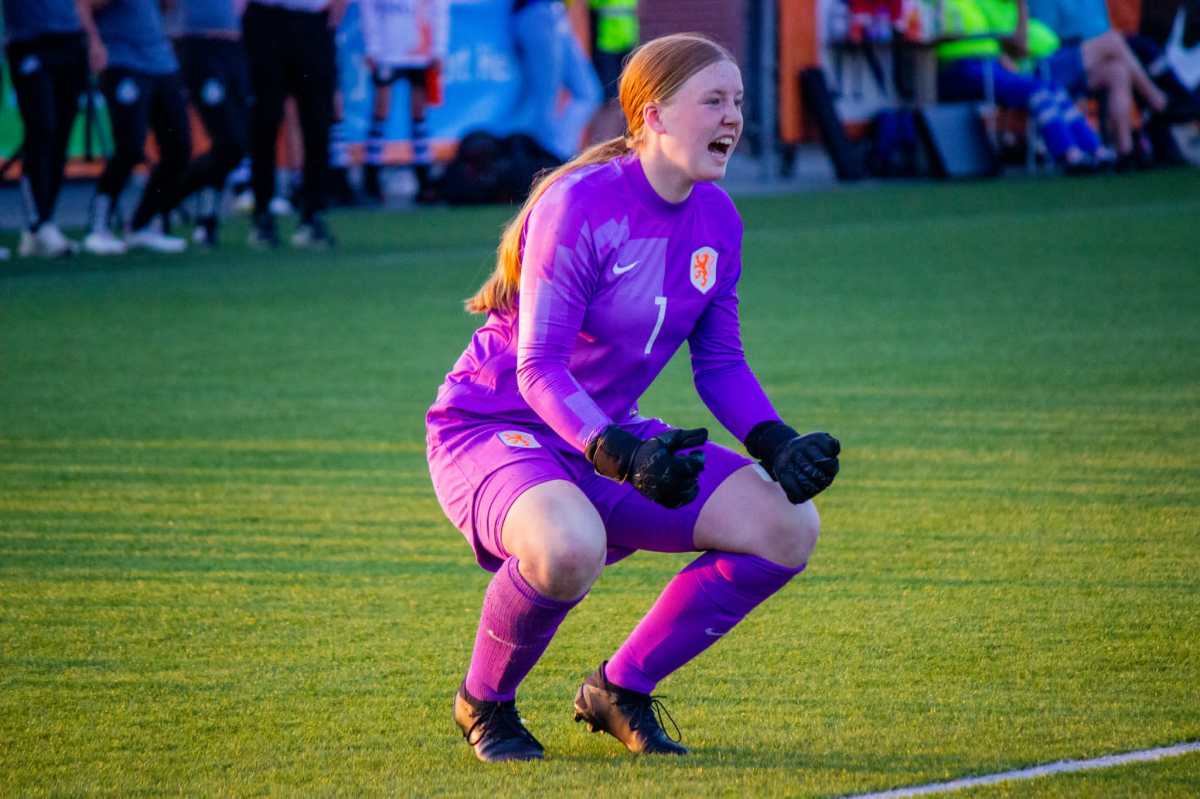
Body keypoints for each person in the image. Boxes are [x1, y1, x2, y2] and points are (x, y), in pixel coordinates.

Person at [425, 32, 841, 763]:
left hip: (604, 436)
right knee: (569, 546)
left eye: (738, 102)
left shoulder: (719, 219)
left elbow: (720, 365)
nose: (732, 119)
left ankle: (619, 687)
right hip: (495, 427)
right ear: (651, 116)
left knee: (788, 525)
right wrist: (618, 450)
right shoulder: (579, 204)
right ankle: (483, 701)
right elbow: (541, 370)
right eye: (712, 101)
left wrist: (777, 441)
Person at [938, 0, 1114, 172]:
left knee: (1052, 88)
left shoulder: (995, 6)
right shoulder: (961, 4)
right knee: (1038, 90)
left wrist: (1002, 57)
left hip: (993, 64)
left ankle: (1093, 148)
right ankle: (1067, 153)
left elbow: (998, 42)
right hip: (964, 68)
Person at [77, 0, 193, 255]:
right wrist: (94, 44)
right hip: (123, 59)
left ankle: (141, 224)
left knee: (179, 149)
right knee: (129, 146)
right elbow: (84, 5)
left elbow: (166, 8)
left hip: (162, 61)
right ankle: (98, 227)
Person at [242, 0, 346, 249]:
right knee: (265, 120)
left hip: (312, 20)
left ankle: (312, 215)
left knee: (318, 122)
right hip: (266, 19)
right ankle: (262, 214)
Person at [1029, 0, 1168, 164]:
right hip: (1052, 63)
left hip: (1084, 61)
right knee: (1113, 41)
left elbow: (1103, 27)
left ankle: (1125, 151)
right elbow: (1044, 36)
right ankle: (1154, 97)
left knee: (1118, 72)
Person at [2, 0, 89, 258]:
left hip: (70, 41)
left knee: (60, 136)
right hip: (29, 42)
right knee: (42, 129)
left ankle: (44, 225)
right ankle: (36, 224)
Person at [168, 0, 251, 247]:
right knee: (227, 141)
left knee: (237, 143)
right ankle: (168, 200)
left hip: (233, 43)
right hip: (197, 43)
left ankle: (204, 218)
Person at [358, 0, 448, 203]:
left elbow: (439, 8)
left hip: (420, 50)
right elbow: (368, 9)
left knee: (419, 115)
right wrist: (373, 47)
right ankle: (370, 180)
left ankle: (423, 181)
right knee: (380, 111)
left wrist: (438, 49)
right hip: (387, 52)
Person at [510, 0, 602, 162]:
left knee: (588, 93)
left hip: (556, 12)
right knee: (546, 104)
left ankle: (558, 157)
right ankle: (548, 163)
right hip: (538, 12)